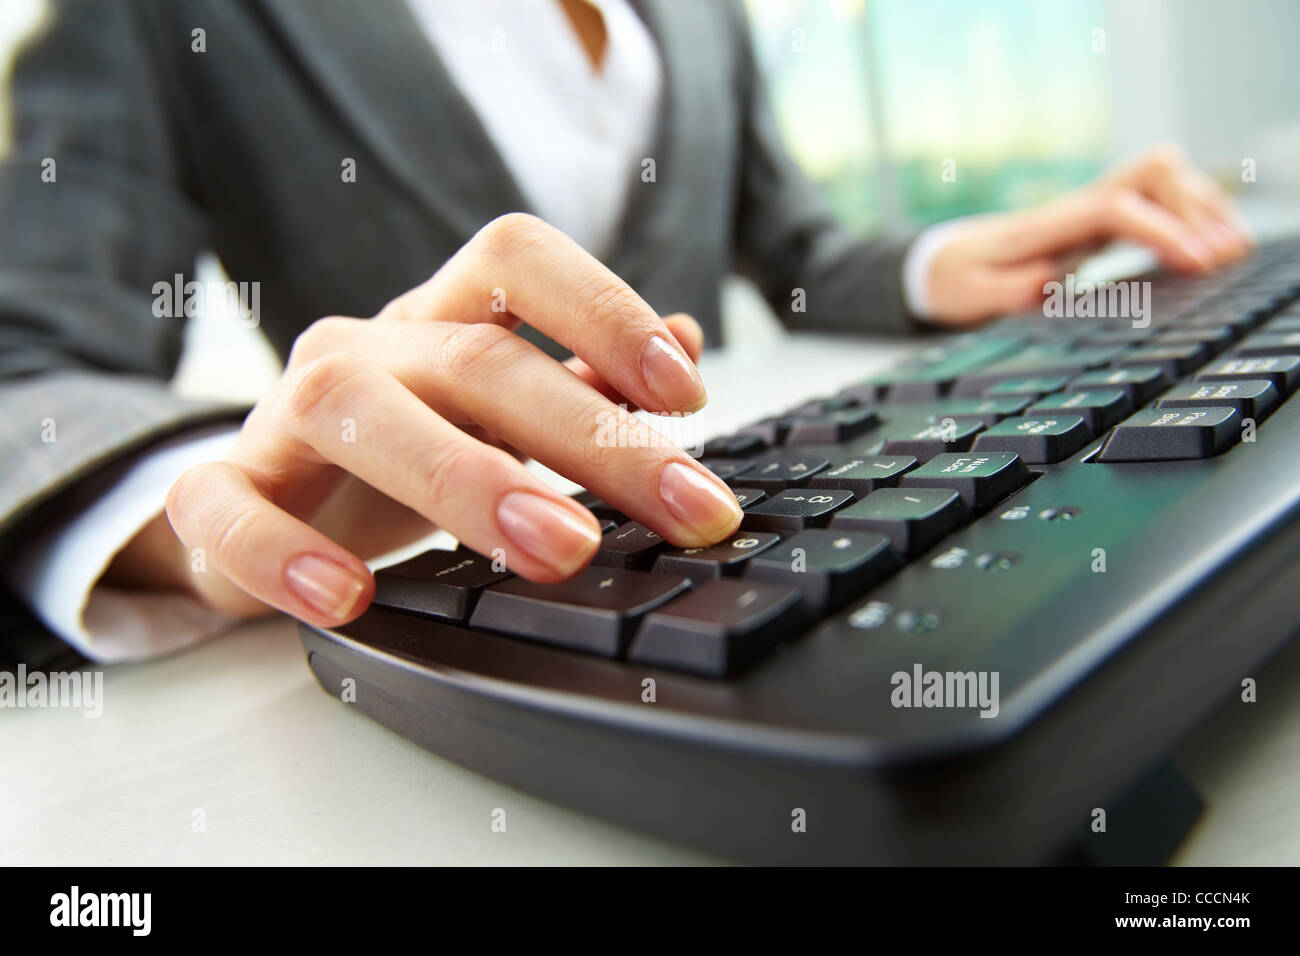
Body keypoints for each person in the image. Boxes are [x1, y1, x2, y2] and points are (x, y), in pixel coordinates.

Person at [0, 0, 1252, 660]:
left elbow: (796, 246)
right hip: (465, 570)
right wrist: (209, 516)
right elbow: (30, 369)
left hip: (757, 499)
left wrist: (941, 255)